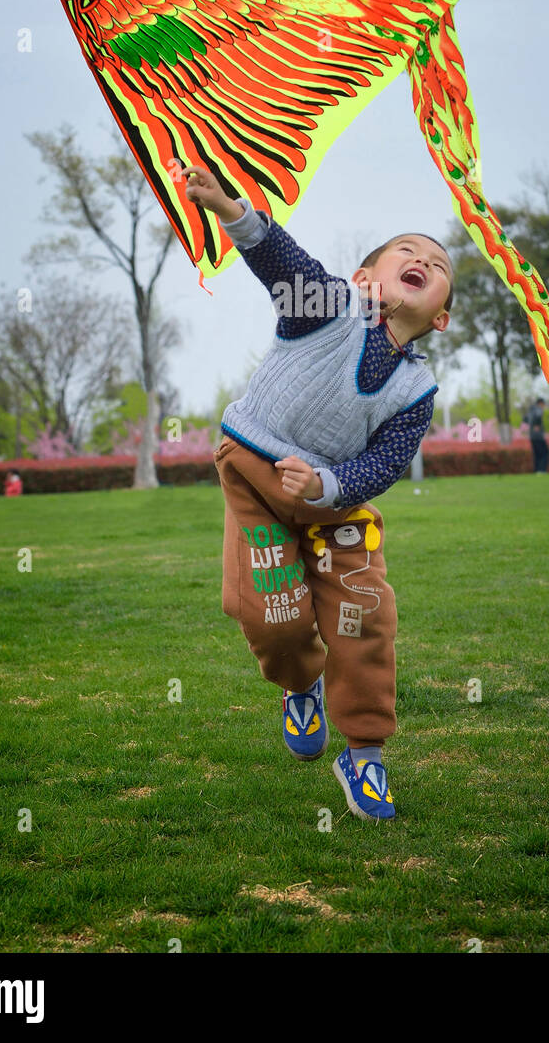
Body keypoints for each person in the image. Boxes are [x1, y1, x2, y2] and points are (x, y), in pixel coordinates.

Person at [182, 164, 453, 822]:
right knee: (271, 616)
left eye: (436, 263)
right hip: (256, 477)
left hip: (336, 506)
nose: (420, 258)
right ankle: (299, 682)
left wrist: (329, 484)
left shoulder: (415, 393)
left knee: (365, 614)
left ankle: (364, 753)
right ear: (364, 279)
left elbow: (385, 463)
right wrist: (231, 210)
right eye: (404, 253)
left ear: (441, 316)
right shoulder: (328, 305)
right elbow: (284, 264)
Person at [523, 398, 549, 472]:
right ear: (540, 403)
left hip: (532, 435)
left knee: (536, 453)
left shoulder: (530, 411)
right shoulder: (538, 409)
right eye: (543, 404)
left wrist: (531, 426)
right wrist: (536, 425)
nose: (543, 406)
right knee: (545, 452)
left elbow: (525, 419)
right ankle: (542, 470)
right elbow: (538, 416)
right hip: (538, 435)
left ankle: (537, 470)